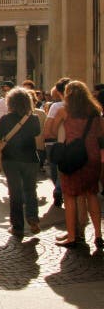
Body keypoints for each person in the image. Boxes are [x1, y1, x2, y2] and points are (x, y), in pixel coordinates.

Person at [45, 81, 104, 248]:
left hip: (72, 155)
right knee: (92, 194)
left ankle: (72, 236)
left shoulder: (64, 111)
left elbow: (51, 131)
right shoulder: (95, 111)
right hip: (92, 154)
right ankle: (98, 235)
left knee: (70, 196)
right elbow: (101, 133)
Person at [0, 87, 41, 237]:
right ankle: (33, 219)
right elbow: (37, 133)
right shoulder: (33, 118)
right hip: (30, 158)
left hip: (11, 159)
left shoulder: (5, 119)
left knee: (15, 193)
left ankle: (17, 226)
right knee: (30, 190)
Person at [43, 77, 72, 208]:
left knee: (56, 169)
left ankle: (58, 190)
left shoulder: (57, 106)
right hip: (74, 142)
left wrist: (49, 136)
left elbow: (49, 127)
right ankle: (61, 190)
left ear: (59, 92)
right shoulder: (84, 106)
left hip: (55, 142)